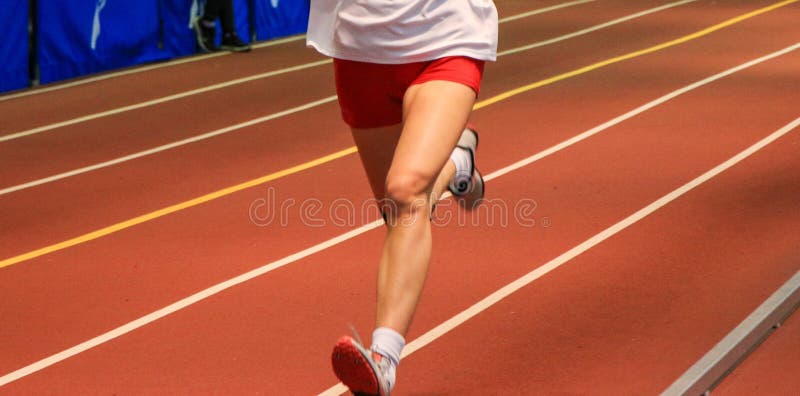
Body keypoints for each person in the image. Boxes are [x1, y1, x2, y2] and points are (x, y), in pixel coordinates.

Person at [306, 1, 498, 395]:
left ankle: (383, 360)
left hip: (447, 37)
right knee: (400, 214)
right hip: (360, 49)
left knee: (406, 189)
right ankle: (456, 165)